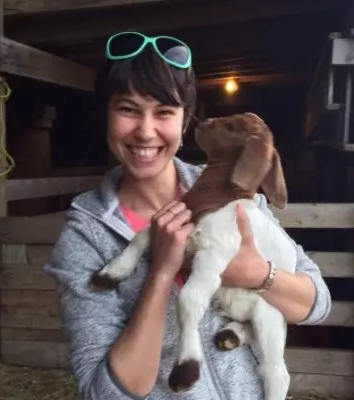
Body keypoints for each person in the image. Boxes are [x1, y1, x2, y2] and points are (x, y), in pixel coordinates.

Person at [44, 31, 331, 400]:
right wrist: (162, 273)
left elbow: (316, 303)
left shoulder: (234, 192)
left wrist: (257, 274)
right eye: (128, 109)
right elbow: (106, 393)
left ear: (184, 121)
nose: (146, 132)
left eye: (164, 112)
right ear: (106, 115)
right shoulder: (86, 237)